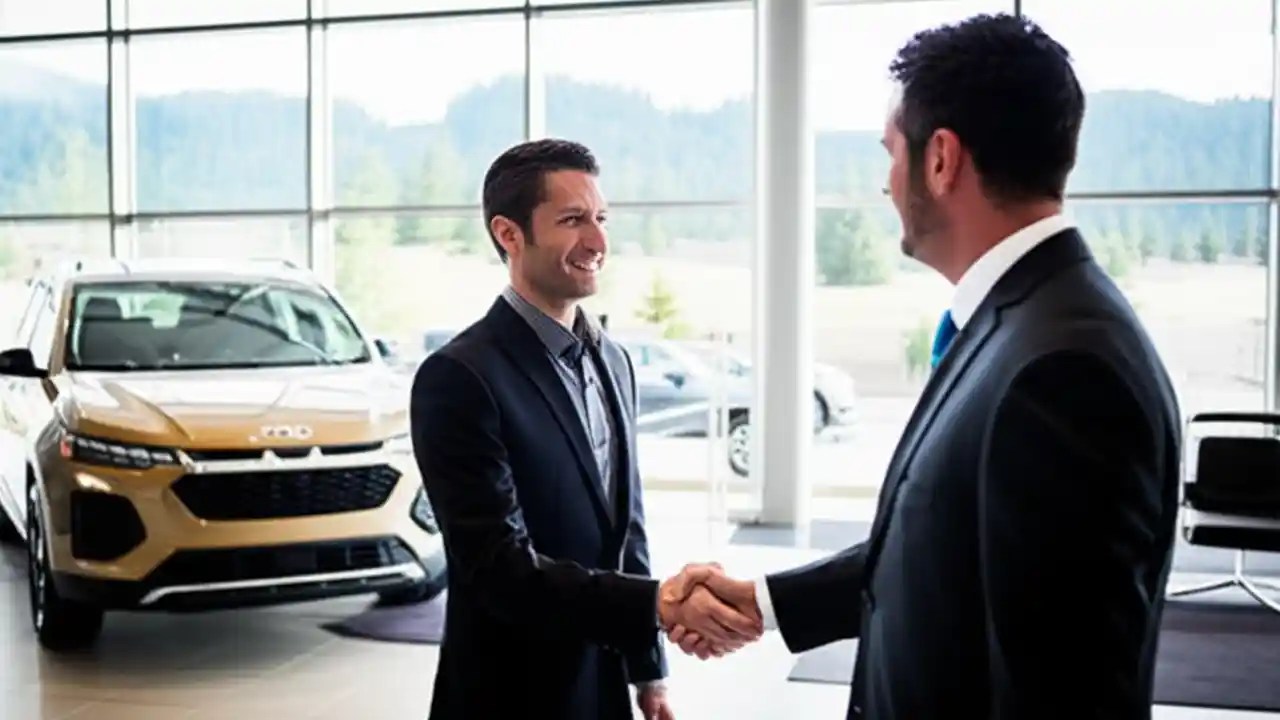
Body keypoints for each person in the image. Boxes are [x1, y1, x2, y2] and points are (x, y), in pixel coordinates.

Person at [665, 13, 1183, 719]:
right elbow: (939, 544)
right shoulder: (1021, 322)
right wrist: (766, 603)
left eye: (889, 153)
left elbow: (1063, 692)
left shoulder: (1062, 371)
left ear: (940, 159)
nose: (886, 184)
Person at [408, 138, 762, 720]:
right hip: (509, 693)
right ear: (508, 234)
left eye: (600, 219)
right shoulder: (459, 377)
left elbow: (628, 527)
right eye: (573, 220)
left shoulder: (614, 361)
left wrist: (649, 671)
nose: (597, 242)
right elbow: (498, 569)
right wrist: (659, 604)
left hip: (603, 686)